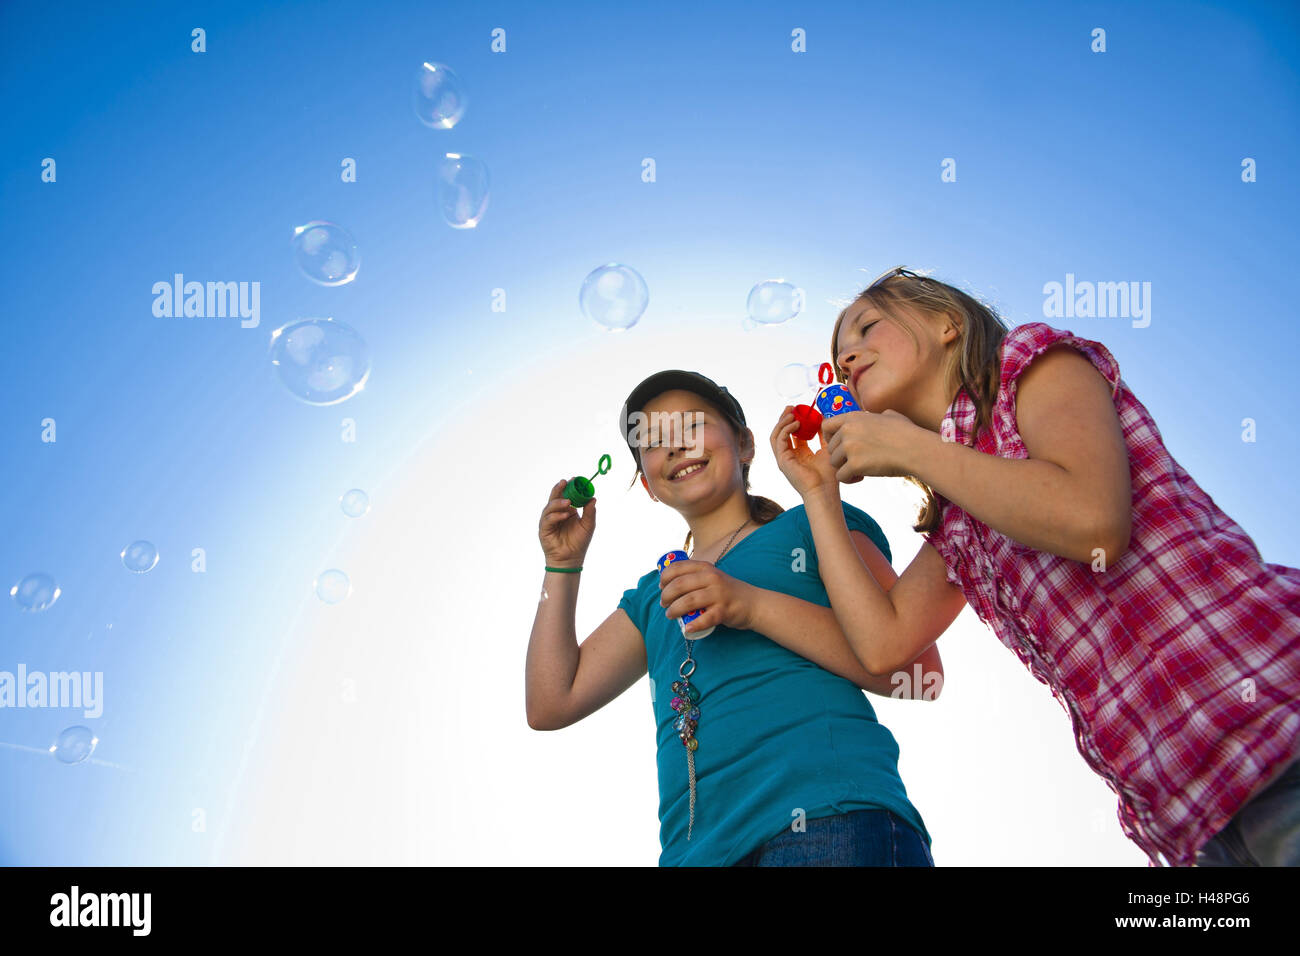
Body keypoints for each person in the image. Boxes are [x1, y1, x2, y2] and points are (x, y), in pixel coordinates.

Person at [771, 265, 1300, 866]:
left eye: (867, 327)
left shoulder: (1031, 364)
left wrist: (911, 447)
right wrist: (818, 494)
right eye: (840, 363)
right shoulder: (961, 518)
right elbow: (884, 644)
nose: (851, 358)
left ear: (948, 323)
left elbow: (1093, 519)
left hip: (1274, 715)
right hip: (1189, 818)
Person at [526, 369, 941, 866]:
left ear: (744, 444)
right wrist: (562, 564)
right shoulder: (654, 595)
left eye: (692, 425)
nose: (675, 447)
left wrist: (750, 606)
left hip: (831, 821)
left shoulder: (815, 523)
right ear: (649, 487)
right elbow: (551, 702)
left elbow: (917, 675)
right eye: (653, 443)